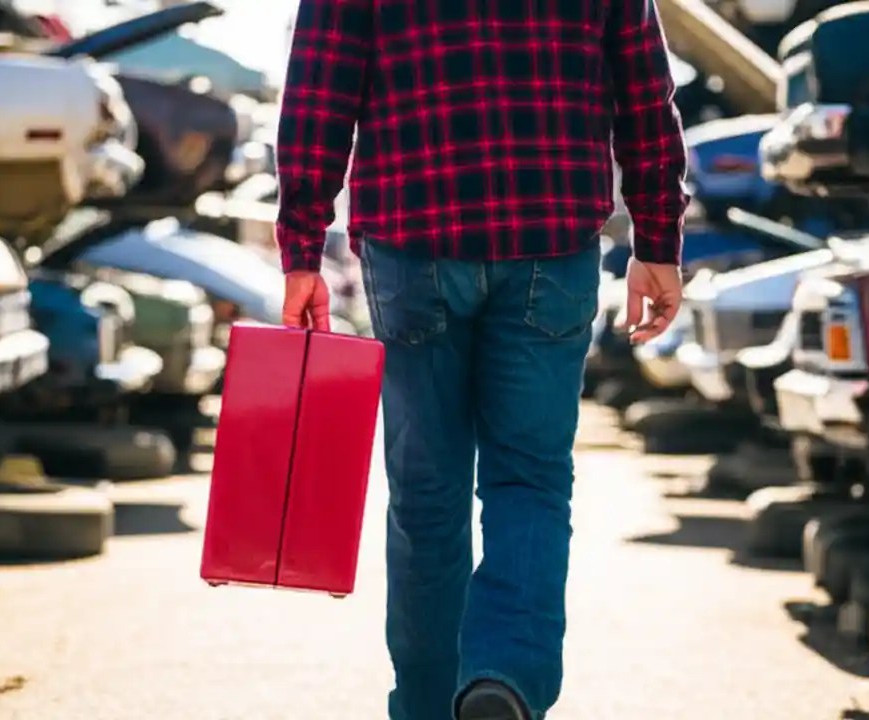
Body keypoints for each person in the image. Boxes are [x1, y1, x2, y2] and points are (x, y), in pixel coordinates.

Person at [273, 1, 689, 718]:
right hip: (550, 241)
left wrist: (302, 248)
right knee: (529, 482)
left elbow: (320, 85)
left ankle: (429, 706)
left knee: (426, 497)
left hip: (413, 241)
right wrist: (657, 240)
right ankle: (504, 681)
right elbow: (645, 90)